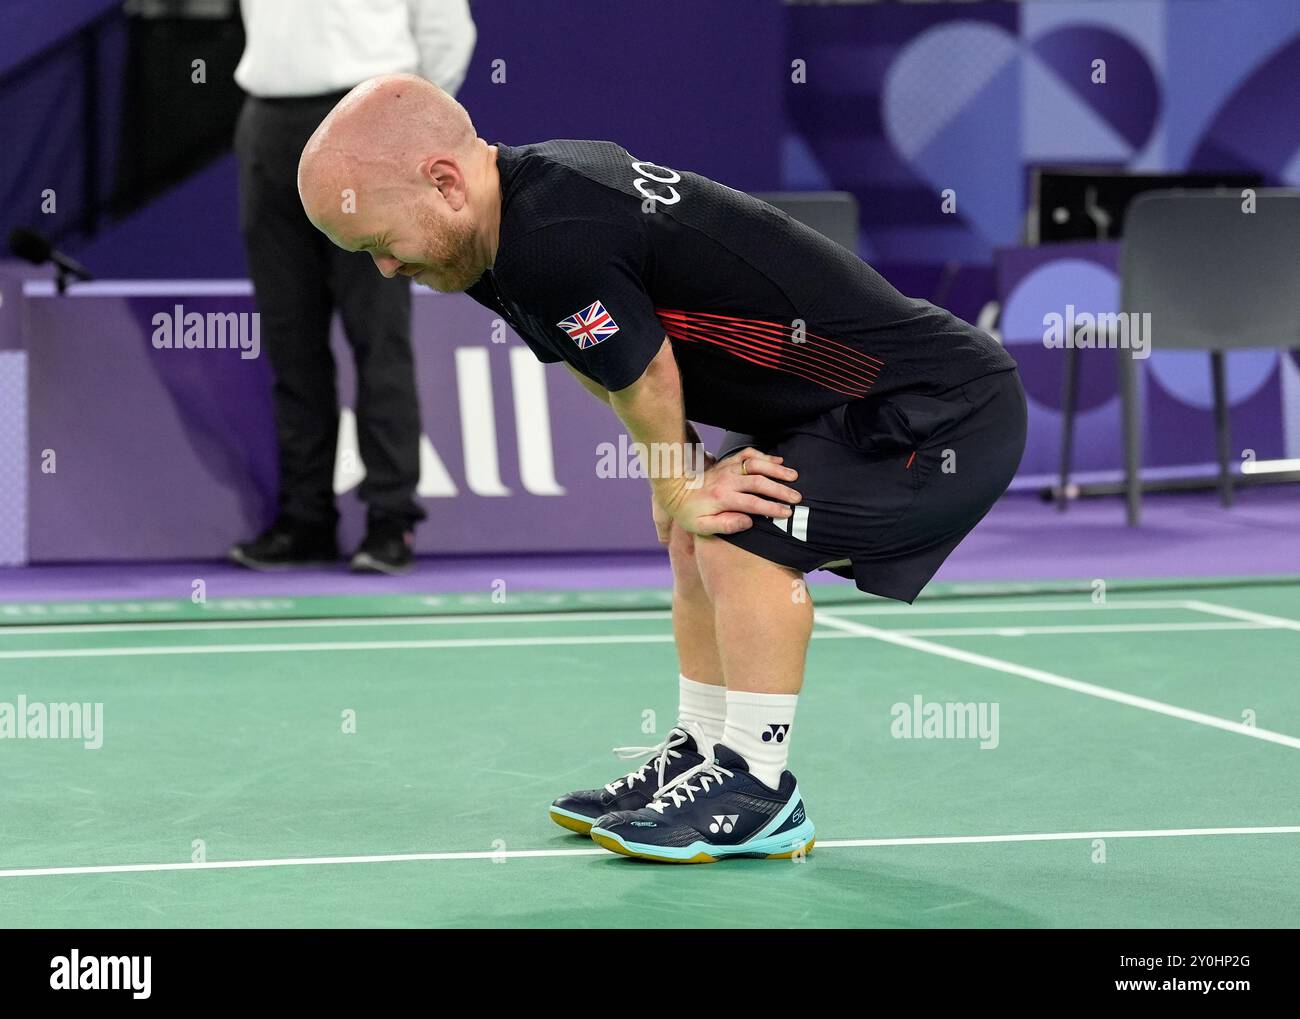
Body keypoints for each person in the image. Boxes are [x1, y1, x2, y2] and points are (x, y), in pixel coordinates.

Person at [295, 75, 1028, 863]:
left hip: (937, 411)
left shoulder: (553, 233)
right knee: (695, 530)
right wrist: (674, 477)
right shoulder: (496, 233)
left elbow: (647, 376)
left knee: (736, 531)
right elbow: (602, 359)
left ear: (442, 182)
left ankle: (756, 786)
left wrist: (680, 477)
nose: (381, 268)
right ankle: (704, 751)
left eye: (377, 243)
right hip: (828, 408)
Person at [228, 2, 475, 574]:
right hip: (268, 122)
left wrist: (406, 128)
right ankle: (306, 517)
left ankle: (391, 519)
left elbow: (446, 31)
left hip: (370, 121)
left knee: (378, 337)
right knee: (290, 339)